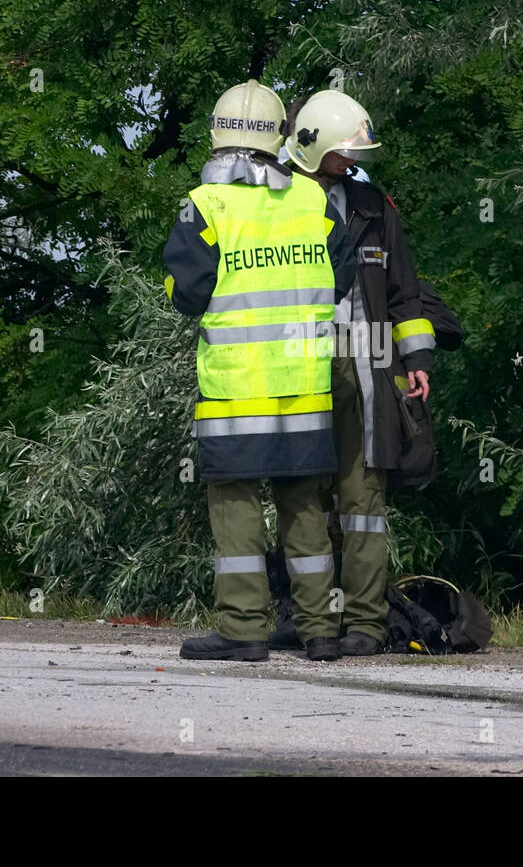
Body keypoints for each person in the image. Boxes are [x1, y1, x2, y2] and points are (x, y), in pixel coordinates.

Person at [164, 80, 356, 662]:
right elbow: (342, 275)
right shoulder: (312, 200)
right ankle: (321, 628)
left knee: (237, 507)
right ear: (280, 139)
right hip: (304, 388)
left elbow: (186, 293)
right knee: (305, 507)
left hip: (236, 391)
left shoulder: (205, 205)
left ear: (218, 139)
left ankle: (245, 629)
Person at [280, 89, 436, 656]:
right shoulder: (275, 202)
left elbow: (404, 295)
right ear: (311, 144)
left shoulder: (373, 209)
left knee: (363, 502)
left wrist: (415, 360)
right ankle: (313, 624)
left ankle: (367, 626)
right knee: (303, 497)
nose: (353, 162)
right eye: (345, 152)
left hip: (368, 366)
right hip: (300, 362)